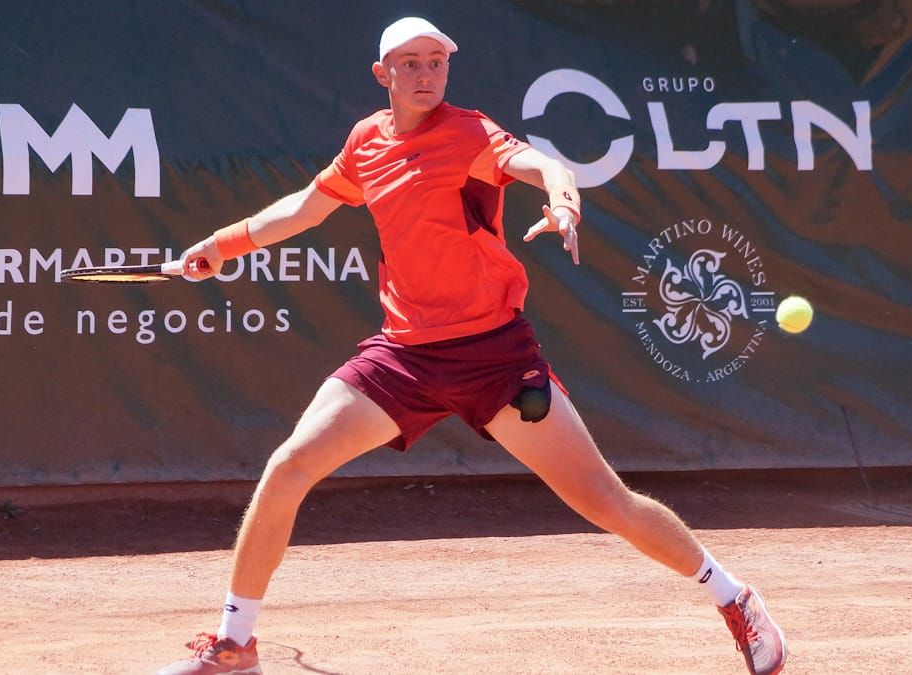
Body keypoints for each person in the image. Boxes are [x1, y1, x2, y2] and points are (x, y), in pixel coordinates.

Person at [158, 16, 786, 675]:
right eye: (411, 63)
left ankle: (733, 597)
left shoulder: (470, 133)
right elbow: (306, 208)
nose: (426, 74)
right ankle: (236, 644)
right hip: (404, 356)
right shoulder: (366, 142)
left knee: (605, 500)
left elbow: (543, 163)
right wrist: (222, 246)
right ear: (382, 74)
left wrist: (563, 201)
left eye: (436, 61)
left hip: (494, 358)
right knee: (288, 466)